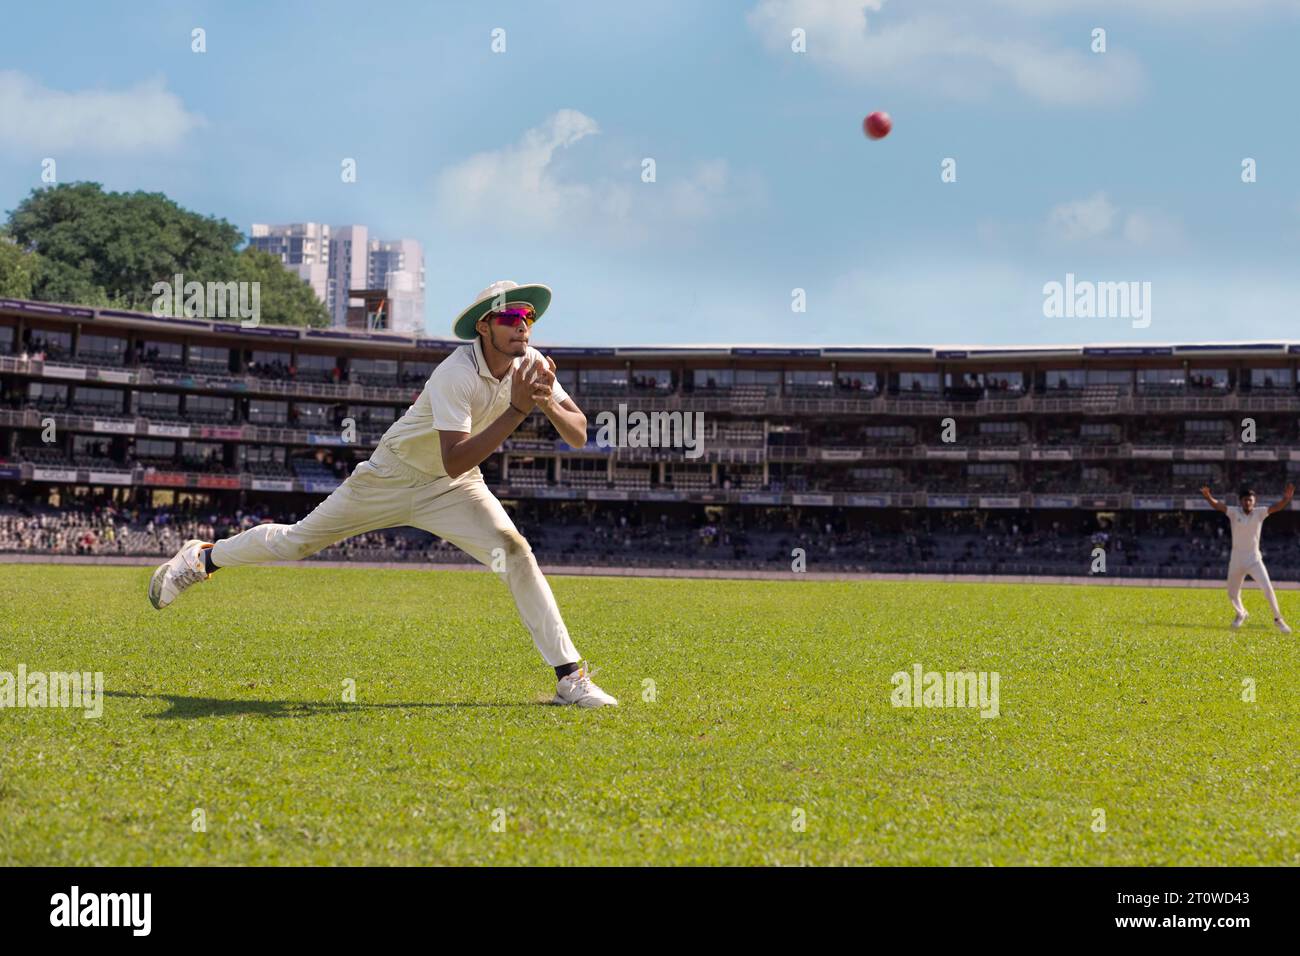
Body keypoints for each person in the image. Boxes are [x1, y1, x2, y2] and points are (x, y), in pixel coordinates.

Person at [147, 280, 617, 706]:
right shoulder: (454, 373)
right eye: (511, 318)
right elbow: (455, 454)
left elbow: (577, 434)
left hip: (453, 488)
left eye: (528, 318)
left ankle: (569, 677)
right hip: (391, 475)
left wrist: (544, 403)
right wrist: (517, 409)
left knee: (516, 552)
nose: (523, 327)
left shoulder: (532, 365)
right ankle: (203, 558)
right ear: (484, 325)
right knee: (297, 542)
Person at [1199, 483, 1294, 633]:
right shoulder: (1234, 512)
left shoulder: (1260, 513)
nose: (1248, 502)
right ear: (1240, 501)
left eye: (1250, 500)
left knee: (1268, 588)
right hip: (1236, 559)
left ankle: (1278, 619)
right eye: (1245, 500)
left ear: (1254, 501)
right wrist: (1208, 497)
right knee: (1232, 593)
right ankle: (1241, 613)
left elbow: (1276, 507)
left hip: (1254, 559)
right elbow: (1219, 506)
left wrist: (1286, 499)